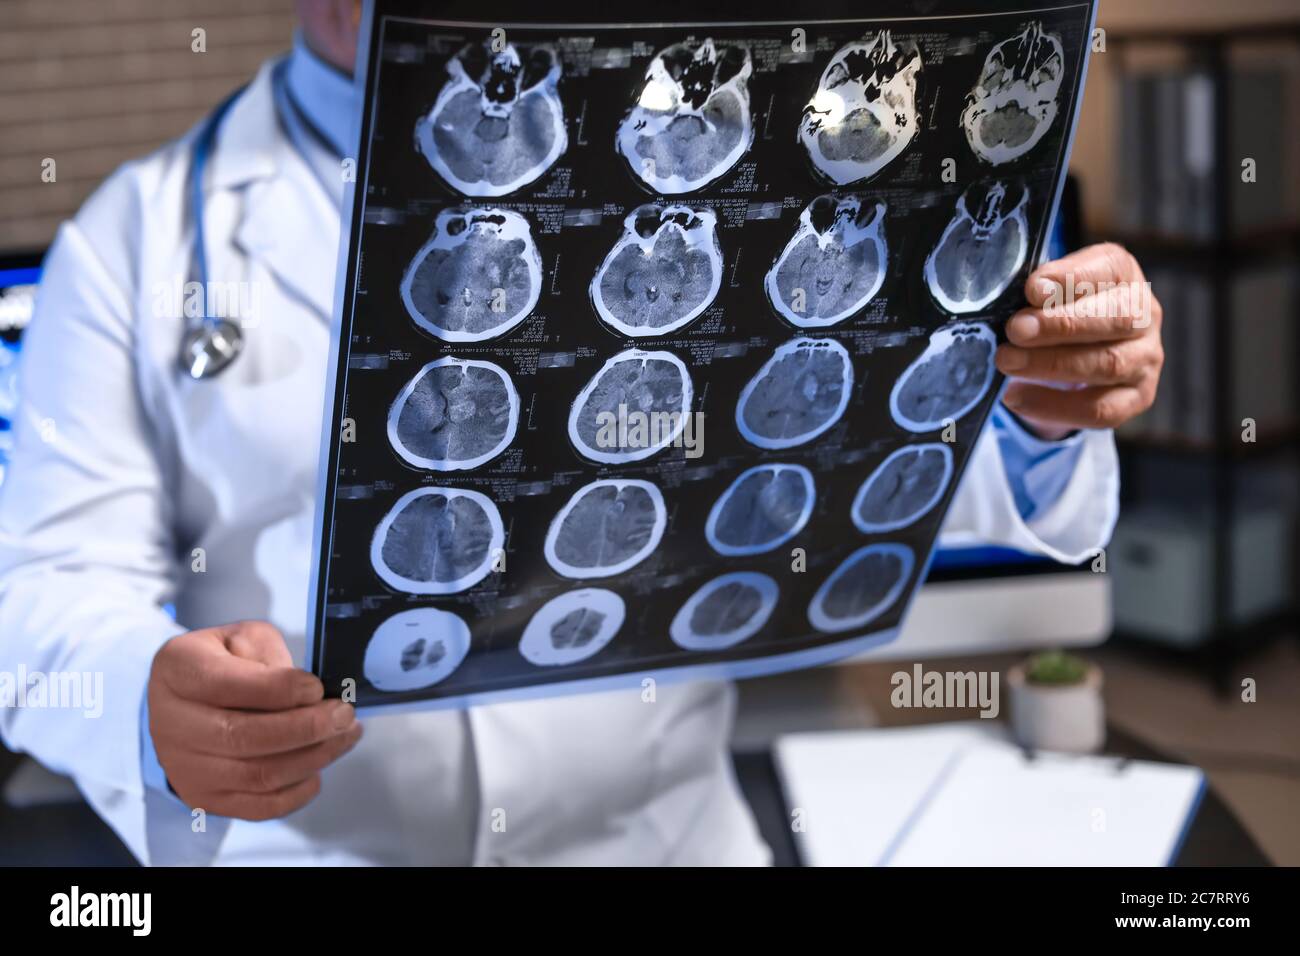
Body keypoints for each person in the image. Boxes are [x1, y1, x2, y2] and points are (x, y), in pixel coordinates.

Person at [0, 1, 1163, 866]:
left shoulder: (718, 163)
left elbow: (860, 466)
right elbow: (40, 587)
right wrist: (145, 702)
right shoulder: (139, 241)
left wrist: (1040, 401)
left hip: (661, 839)